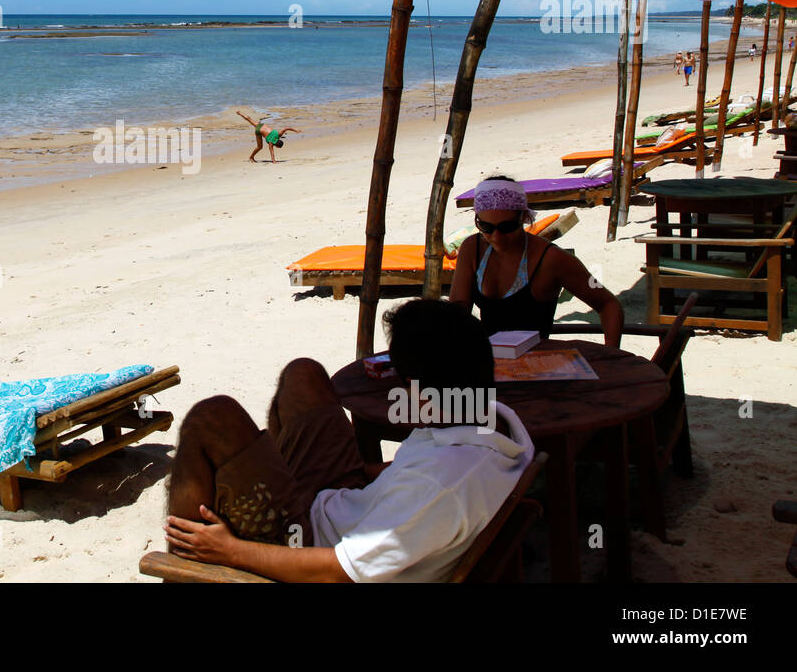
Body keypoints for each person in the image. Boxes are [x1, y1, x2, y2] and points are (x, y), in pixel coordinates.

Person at [163, 298, 533, 582]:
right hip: (350, 503)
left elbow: (338, 572)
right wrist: (379, 474)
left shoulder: (436, 487)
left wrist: (230, 551)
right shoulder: (489, 422)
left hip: (312, 546)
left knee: (211, 419)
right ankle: (271, 488)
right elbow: (415, 476)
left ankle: (185, 566)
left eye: (401, 382)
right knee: (303, 375)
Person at [450, 177, 623, 347]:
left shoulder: (552, 259)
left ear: (524, 217)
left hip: (537, 362)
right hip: (491, 360)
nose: (496, 237)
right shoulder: (472, 248)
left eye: (507, 227)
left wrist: (612, 355)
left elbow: (608, 304)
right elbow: (458, 310)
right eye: (486, 227)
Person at [235, 110, 300, 163]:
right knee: (259, 147)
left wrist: (296, 130)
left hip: (261, 125)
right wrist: (274, 162)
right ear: (277, 145)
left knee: (249, 119)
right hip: (258, 131)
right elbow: (272, 153)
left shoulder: (278, 134)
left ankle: (240, 113)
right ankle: (251, 157)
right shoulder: (271, 143)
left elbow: (286, 128)